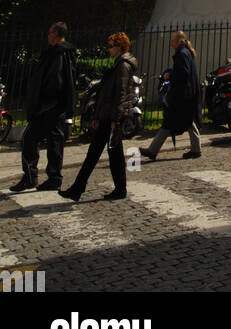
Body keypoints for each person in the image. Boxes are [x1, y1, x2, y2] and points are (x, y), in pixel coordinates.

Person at [59, 33, 137, 202]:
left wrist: (116, 120)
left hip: (112, 117)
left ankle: (79, 188)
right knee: (109, 155)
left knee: (98, 154)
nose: (109, 49)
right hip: (108, 116)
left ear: (119, 46)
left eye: (111, 46)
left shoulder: (123, 65)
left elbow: (121, 93)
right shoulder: (119, 64)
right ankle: (114, 188)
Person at [9, 22, 77, 193]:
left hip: (49, 106)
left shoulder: (58, 54)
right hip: (55, 106)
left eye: (50, 32)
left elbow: (54, 81)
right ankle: (53, 177)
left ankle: (32, 177)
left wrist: (42, 102)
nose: (47, 35)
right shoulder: (61, 52)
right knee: (54, 141)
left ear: (56, 34)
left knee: (30, 139)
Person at [142, 31, 202, 161]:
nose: (171, 43)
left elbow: (183, 74)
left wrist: (171, 76)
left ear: (179, 41)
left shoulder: (182, 54)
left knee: (172, 122)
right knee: (183, 121)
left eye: (173, 40)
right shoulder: (186, 53)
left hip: (183, 95)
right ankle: (195, 149)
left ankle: (153, 150)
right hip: (187, 94)